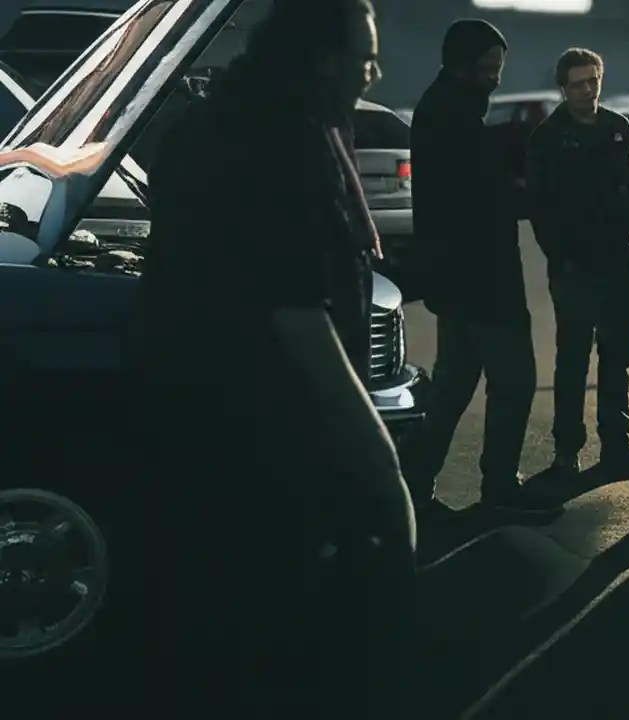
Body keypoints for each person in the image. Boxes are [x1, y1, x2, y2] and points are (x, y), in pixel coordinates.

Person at [133, 0, 413, 714]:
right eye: (364, 58)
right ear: (323, 59)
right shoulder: (276, 138)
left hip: (205, 442)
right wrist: (382, 474)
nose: (370, 72)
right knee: (278, 652)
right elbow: (296, 318)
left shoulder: (222, 119)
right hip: (264, 450)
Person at [402, 19, 559, 519]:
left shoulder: (444, 106)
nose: (496, 77)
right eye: (489, 68)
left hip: (457, 278)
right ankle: (499, 488)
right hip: (483, 277)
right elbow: (482, 195)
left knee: (452, 386)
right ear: (461, 64)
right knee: (514, 380)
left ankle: (414, 490)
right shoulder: (451, 115)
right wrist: (534, 188)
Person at [526, 48, 629, 479]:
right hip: (575, 270)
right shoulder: (548, 137)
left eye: (593, 81)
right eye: (577, 84)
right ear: (563, 89)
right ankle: (566, 452)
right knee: (572, 361)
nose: (587, 90)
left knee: (618, 356)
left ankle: (616, 445)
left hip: (621, 262)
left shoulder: (616, 126)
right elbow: (540, 209)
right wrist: (562, 259)